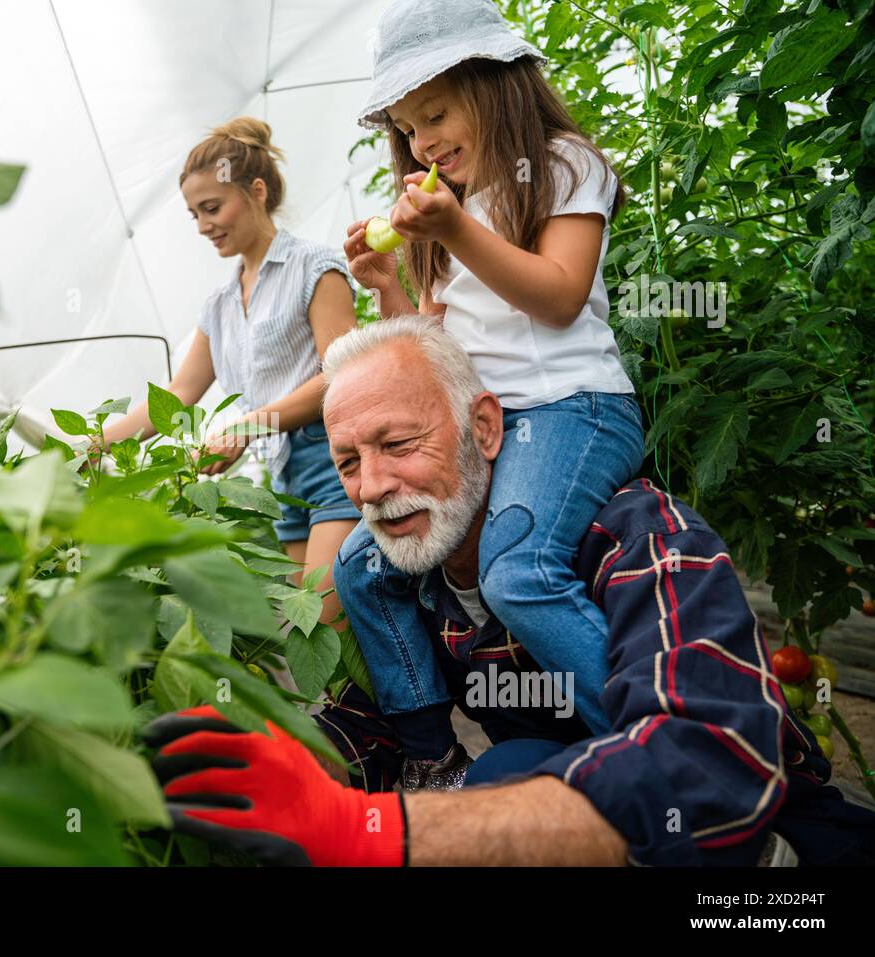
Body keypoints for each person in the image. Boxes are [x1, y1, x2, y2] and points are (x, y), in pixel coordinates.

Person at [143, 318, 875, 866]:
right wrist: (266, 758)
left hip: (783, 840)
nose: (370, 488)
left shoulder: (637, 538)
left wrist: (370, 831)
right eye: (347, 462)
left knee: (494, 778)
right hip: (585, 822)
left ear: (486, 428)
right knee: (496, 774)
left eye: (398, 445)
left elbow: (711, 763)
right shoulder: (406, 582)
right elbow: (371, 728)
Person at [334, 0, 641, 778]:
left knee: (518, 572)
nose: (422, 140)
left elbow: (560, 295)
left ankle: (655, 744)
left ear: (496, 85)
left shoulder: (566, 165)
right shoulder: (452, 211)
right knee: (360, 569)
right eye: (407, 128)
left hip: (574, 409)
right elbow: (436, 352)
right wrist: (384, 285)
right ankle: (430, 754)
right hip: (484, 424)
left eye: (435, 113)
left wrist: (454, 233)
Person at [99, 118, 360, 624]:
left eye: (212, 207)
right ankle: (349, 706)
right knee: (309, 627)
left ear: (256, 191)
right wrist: (93, 445)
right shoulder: (219, 304)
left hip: (334, 456)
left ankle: (410, 701)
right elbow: (178, 393)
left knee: (326, 612)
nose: (202, 225)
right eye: (194, 214)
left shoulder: (315, 267)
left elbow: (340, 372)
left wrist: (247, 425)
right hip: (282, 473)